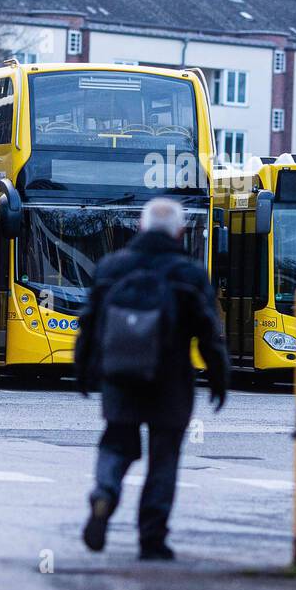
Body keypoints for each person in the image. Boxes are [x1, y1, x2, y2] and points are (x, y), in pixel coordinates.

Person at [75, 196, 230, 561]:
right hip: (171, 379)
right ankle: (152, 539)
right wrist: (220, 377)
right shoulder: (190, 274)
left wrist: (83, 370)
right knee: (164, 457)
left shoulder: (112, 267)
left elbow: (90, 322)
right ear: (179, 232)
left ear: (141, 228)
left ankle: (105, 493)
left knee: (117, 442)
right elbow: (209, 332)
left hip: (120, 374)